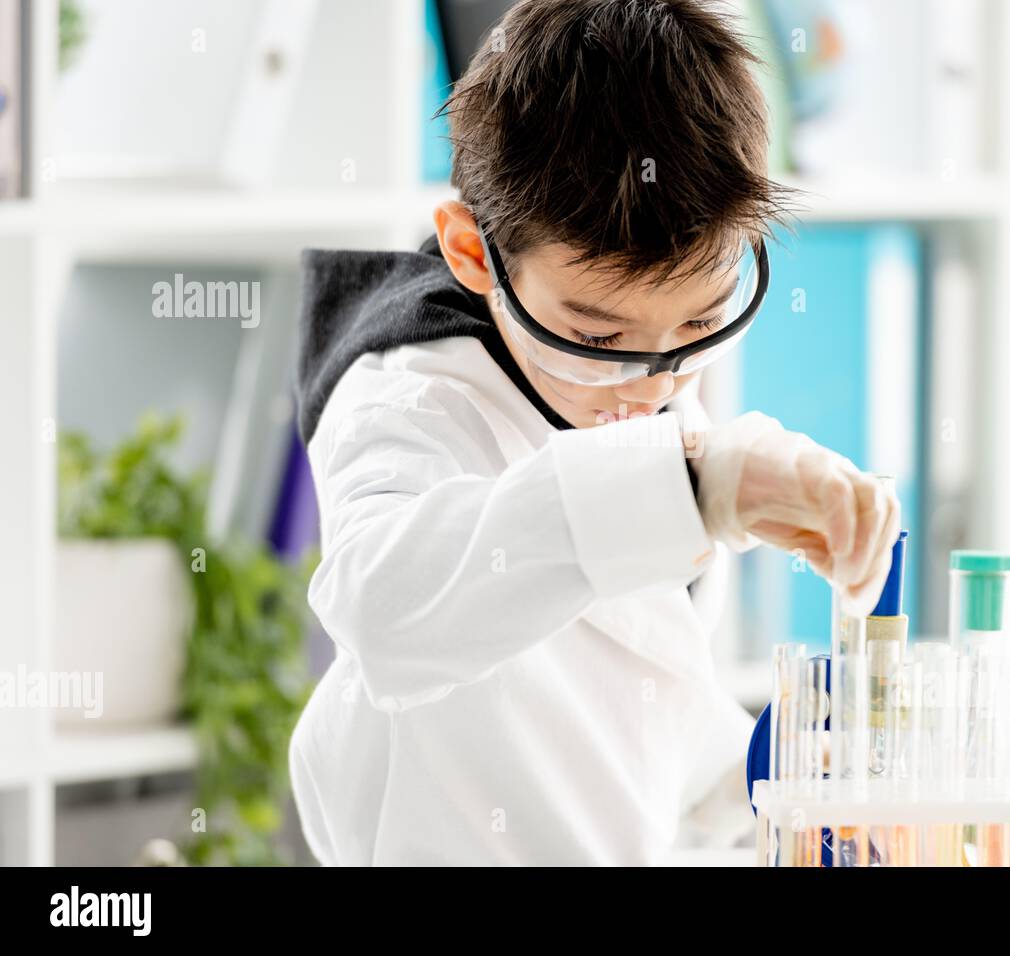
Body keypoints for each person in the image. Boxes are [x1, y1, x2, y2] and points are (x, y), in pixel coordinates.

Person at [289, 0, 899, 865]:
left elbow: (626, 721)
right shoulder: (411, 396)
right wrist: (694, 486)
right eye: (599, 337)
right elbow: (384, 610)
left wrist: (771, 779)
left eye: (701, 321)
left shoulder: (646, 387)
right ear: (472, 254)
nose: (650, 384)